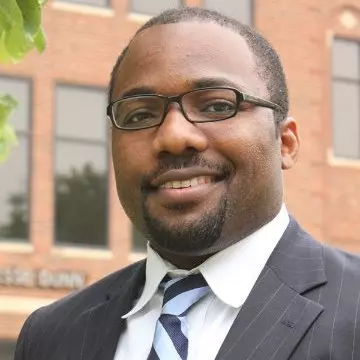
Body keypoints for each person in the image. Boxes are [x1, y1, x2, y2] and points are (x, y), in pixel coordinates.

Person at [14, 6, 360, 360]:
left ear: (285, 143)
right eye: (140, 114)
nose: (173, 136)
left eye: (216, 106)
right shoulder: (50, 336)